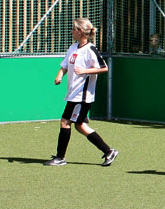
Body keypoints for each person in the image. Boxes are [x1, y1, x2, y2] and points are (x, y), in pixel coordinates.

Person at [44, 18, 119, 167]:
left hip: (82, 96)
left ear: (80, 32)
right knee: (80, 126)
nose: (71, 31)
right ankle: (108, 151)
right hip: (73, 93)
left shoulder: (90, 49)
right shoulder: (73, 48)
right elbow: (64, 65)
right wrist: (59, 75)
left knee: (65, 122)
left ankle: (60, 157)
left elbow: (104, 68)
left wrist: (85, 71)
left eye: (74, 29)